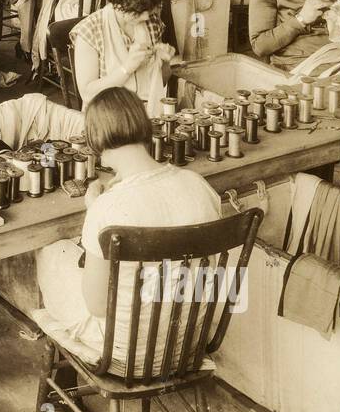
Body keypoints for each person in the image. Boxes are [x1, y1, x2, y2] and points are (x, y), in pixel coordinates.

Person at [34, 86, 222, 366]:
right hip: (187, 341)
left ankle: (65, 382)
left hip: (127, 351)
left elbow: (97, 306)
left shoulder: (107, 208)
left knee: (50, 253)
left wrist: (94, 214)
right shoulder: (201, 187)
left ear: (96, 141)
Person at [71, 0, 176, 113]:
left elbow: (160, 82)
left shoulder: (152, 23)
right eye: (139, 11)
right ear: (118, 3)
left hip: (146, 112)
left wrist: (165, 62)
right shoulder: (90, 31)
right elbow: (87, 94)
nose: (146, 16)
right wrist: (127, 67)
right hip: (108, 116)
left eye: (150, 10)